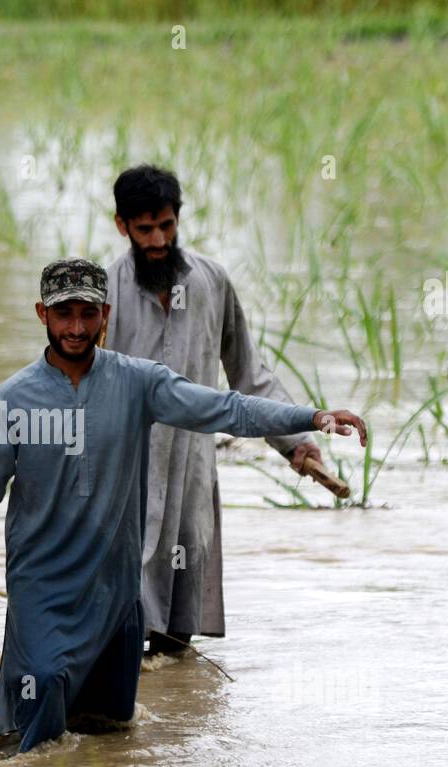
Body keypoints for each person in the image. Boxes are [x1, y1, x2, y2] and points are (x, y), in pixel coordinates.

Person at [0, 258, 366, 754]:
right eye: (64, 314)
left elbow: (228, 408)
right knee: (43, 701)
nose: (76, 327)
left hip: (115, 589)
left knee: (108, 730)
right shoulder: (15, 400)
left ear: (107, 316)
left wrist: (311, 417)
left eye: (88, 313)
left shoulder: (139, 383)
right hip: (41, 589)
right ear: (42, 315)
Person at [105, 164, 321, 655]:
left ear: (178, 219)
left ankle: (172, 717)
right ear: (122, 227)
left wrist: (296, 440)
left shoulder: (211, 282)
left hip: (191, 465)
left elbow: (248, 372)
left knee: (178, 626)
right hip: (127, 464)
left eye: (166, 225)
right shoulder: (105, 293)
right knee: (119, 611)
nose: (158, 239)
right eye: (145, 229)